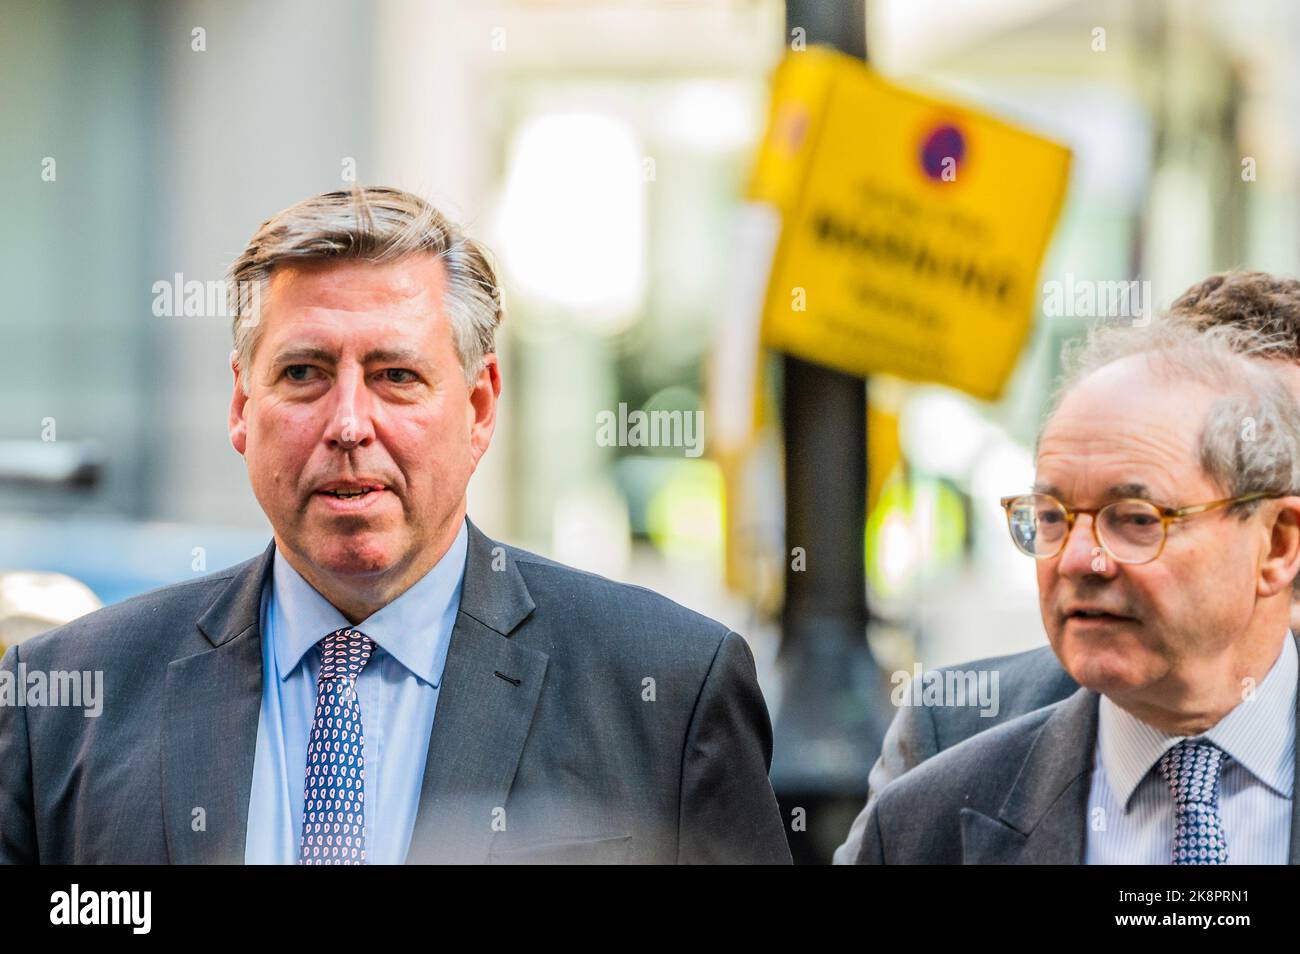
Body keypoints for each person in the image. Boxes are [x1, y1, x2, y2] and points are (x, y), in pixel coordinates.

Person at [0, 186, 791, 865]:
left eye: (396, 377)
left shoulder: (667, 691)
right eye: (304, 373)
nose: (348, 423)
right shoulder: (63, 707)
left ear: (479, 409)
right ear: (243, 406)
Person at [835, 270, 1300, 864]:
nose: (1081, 559)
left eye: (1135, 518)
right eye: (1052, 516)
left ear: (1277, 540)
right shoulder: (924, 818)